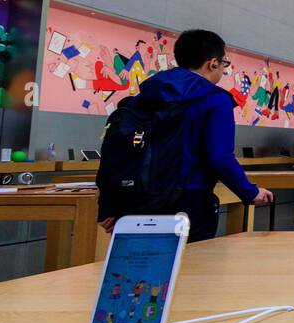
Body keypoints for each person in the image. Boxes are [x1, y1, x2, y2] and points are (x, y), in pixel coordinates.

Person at [98, 29, 273, 242]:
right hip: (189, 202)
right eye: (224, 64)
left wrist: (108, 206)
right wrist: (250, 192)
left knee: (137, 271)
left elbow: (118, 149)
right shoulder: (215, 100)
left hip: (136, 200)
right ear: (213, 63)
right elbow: (220, 156)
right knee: (190, 271)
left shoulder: (146, 94)